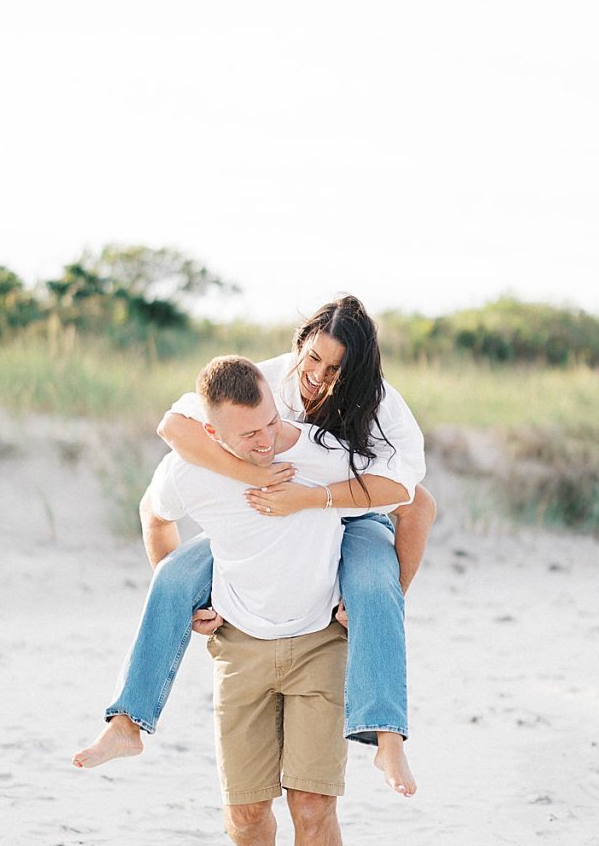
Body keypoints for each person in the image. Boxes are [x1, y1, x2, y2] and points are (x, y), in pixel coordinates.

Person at [74, 295, 436, 795]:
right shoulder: (271, 381)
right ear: (300, 345)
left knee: (376, 587)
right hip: (266, 518)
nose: (317, 375)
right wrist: (253, 472)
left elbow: (410, 498)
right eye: (313, 358)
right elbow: (174, 426)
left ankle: (388, 737)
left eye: (335, 368)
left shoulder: (383, 409)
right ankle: (127, 723)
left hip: (352, 512)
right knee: (175, 574)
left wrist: (379, 598)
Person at [131, 355, 373, 846]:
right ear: (213, 436)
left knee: (315, 809)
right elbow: (154, 516)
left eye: (271, 421)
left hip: (321, 644)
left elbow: (401, 498)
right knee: (245, 818)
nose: (267, 440)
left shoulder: (321, 450)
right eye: (248, 435)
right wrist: (180, 595)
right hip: (237, 647)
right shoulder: (189, 471)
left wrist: (374, 597)